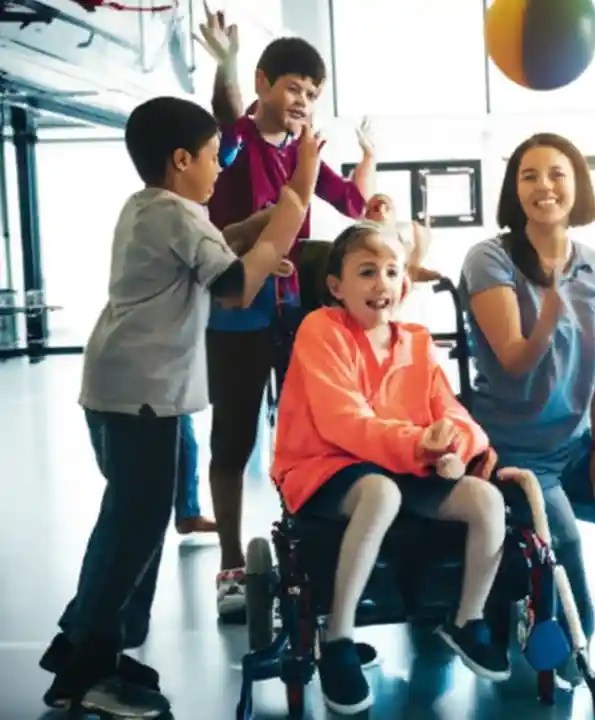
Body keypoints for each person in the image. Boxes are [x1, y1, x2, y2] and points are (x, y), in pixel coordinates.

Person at [38, 96, 307, 718]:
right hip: (140, 396)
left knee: (133, 521)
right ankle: (87, 666)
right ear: (181, 159)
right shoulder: (179, 217)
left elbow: (220, 249)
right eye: (214, 157)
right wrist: (287, 216)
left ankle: (92, 639)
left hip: (124, 391)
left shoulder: (155, 208)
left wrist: (257, 235)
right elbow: (237, 288)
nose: (220, 169)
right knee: (131, 529)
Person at [273, 222, 513, 713]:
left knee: (486, 498)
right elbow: (344, 422)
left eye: (391, 271)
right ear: (337, 287)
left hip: (404, 464)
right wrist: (417, 444)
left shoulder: (416, 341)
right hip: (323, 464)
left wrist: (454, 445)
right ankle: (337, 638)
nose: (382, 283)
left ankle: (466, 620)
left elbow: (451, 410)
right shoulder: (322, 331)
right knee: (380, 492)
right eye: (367, 272)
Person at [198, 7, 373, 620]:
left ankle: (308, 550)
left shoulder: (303, 150)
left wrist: (368, 170)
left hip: (292, 308)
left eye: (312, 93)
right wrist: (225, 64)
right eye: (292, 87)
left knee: (304, 432)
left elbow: (349, 201)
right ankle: (229, 563)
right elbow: (223, 114)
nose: (302, 100)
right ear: (264, 85)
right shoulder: (239, 138)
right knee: (235, 434)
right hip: (236, 312)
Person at [459, 132, 595, 649]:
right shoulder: (490, 258)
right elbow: (512, 359)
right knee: (570, 562)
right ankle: (573, 643)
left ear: (578, 186)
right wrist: (548, 316)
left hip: (576, 446)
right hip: (517, 451)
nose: (543, 186)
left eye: (557, 174)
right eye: (529, 175)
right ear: (514, 189)